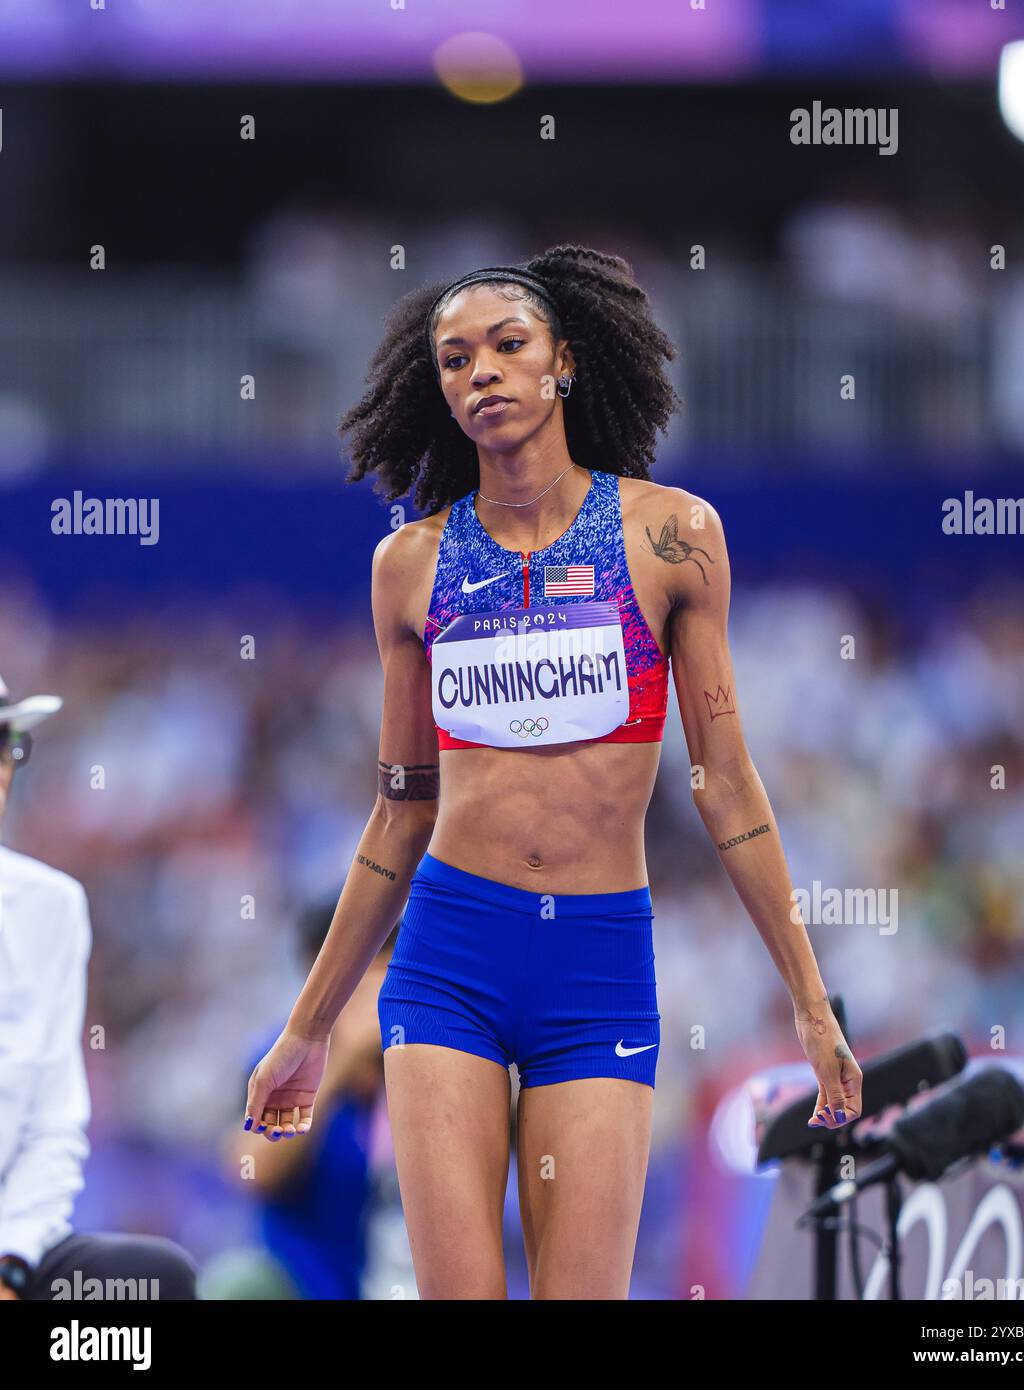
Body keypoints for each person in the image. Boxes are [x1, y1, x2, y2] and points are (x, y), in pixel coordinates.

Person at [244, 245, 863, 1300]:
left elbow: (728, 786)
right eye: (453, 358)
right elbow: (400, 812)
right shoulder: (411, 566)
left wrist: (810, 1001)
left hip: (595, 960)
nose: (479, 370)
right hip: (448, 958)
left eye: (506, 344)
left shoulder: (671, 535)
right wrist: (306, 1028)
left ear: (564, 362)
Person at [0, 674, 197, 1301]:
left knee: (150, 1286)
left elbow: (52, 1125)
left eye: (11, 744)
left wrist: (10, 1266)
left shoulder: (50, 907)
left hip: (11, 1251)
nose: (4, 764)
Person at [212, 903, 390, 1299]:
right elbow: (254, 1169)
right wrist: (339, 1061)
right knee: (238, 1283)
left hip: (407, 1281)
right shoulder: (282, 1055)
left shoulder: (427, 1058)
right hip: (305, 1284)